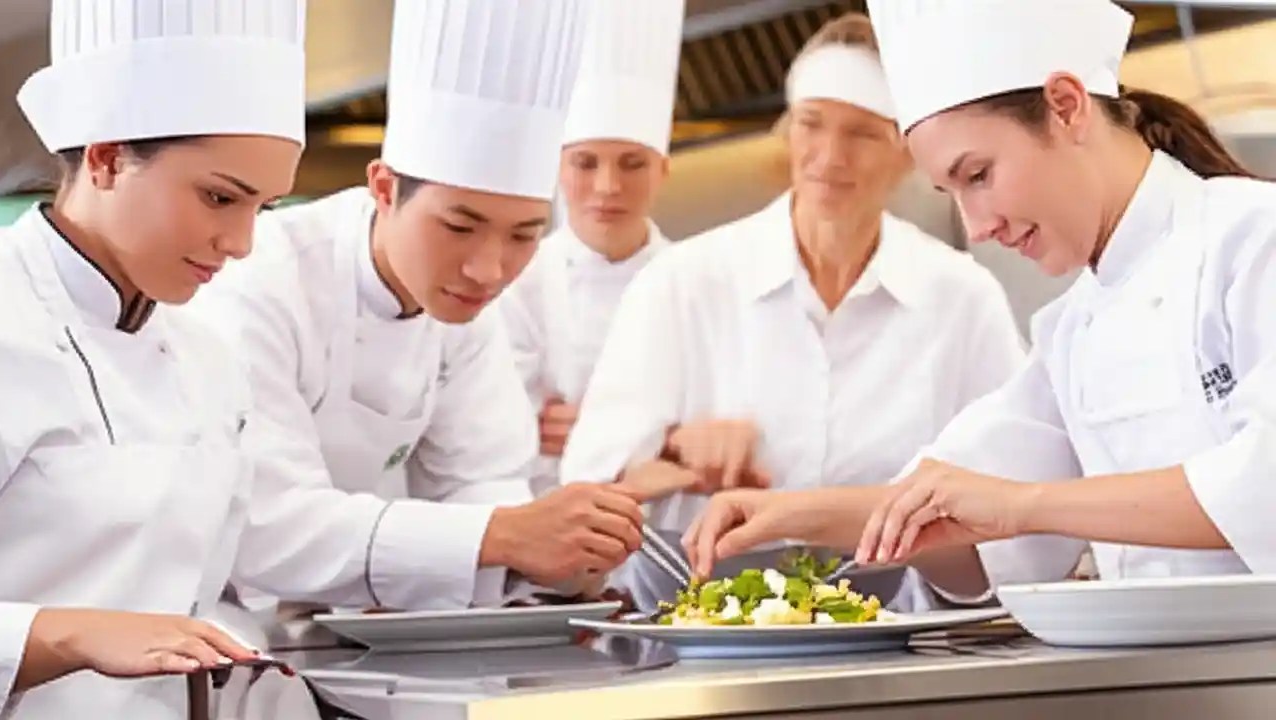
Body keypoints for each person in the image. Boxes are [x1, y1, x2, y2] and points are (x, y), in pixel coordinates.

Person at [686, 0, 1276, 599]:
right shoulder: (1074, 330)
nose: (975, 228)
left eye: (978, 176)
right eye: (949, 191)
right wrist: (789, 516)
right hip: (1176, 679)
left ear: (1067, 107)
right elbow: (968, 526)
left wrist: (1026, 505)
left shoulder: (1255, 237)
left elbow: (1265, 485)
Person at [190, 0, 643, 620]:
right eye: (460, 226)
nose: (489, 269)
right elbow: (268, 525)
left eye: (522, 236)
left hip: (364, 622)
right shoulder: (259, 283)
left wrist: (561, 554)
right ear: (383, 188)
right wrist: (504, 538)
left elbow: (482, 477)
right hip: (228, 636)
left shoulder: (465, 308)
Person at [559, 11, 1026, 611]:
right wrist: (672, 450)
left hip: (901, 635)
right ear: (787, 131)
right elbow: (585, 494)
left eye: (862, 133)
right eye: (812, 124)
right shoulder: (683, 282)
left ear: (910, 152)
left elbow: (1012, 491)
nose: (830, 156)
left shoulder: (961, 297)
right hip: (692, 626)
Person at [0, 0, 307, 716]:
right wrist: (67, 634)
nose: (241, 242)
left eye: (264, 207)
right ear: (105, 157)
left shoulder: (209, 360)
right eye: (220, 197)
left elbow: (208, 602)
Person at [498, 0, 685, 497]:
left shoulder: (695, 280)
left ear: (663, 170)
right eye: (585, 163)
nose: (607, 186)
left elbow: (725, 414)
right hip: (541, 516)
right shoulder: (514, 279)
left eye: (631, 163)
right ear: (556, 167)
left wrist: (620, 435)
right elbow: (490, 423)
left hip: (673, 533)